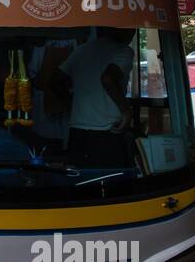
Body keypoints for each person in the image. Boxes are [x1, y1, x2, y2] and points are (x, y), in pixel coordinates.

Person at [50, 27, 137, 167]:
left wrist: (72, 104)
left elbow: (54, 80)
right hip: (108, 132)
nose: (132, 34)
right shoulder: (123, 50)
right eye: (131, 30)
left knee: (81, 181)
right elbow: (108, 78)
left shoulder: (81, 50)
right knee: (112, 182)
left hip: (77, 132)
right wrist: (126, 112)